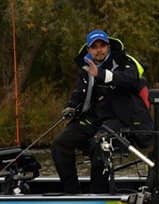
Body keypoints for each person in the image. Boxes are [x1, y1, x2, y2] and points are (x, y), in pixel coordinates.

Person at [51, 29, 153, 194]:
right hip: (94, 118)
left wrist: (102, 74)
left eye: (102, 45)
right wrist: (71, 107)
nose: (99, 50)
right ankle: (71, 193)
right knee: (60, 144)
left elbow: (130, 79)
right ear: (89, 50)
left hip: (121, 118)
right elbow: (79, 93)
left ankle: (97, 194)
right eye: (94, 47)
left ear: (108, 46)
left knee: (100, 144)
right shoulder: (85, 67)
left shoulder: (124, 61)